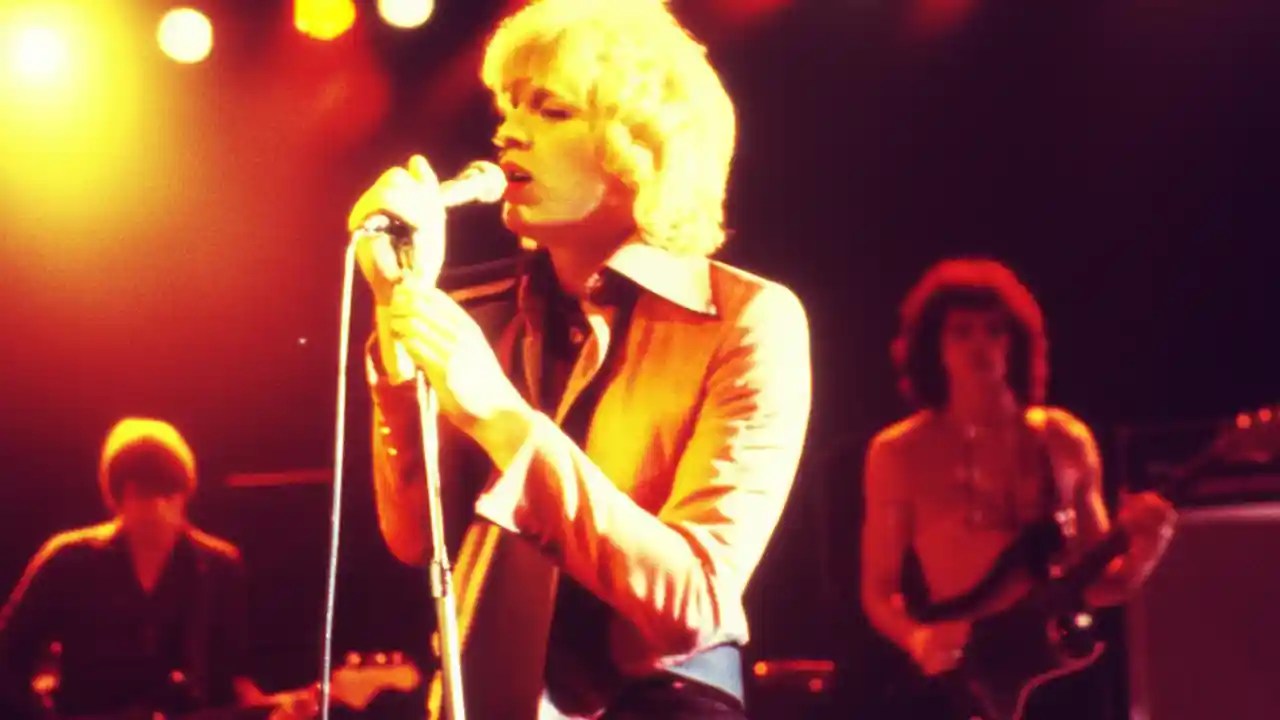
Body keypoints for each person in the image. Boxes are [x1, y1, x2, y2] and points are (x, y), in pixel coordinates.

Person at [348, 0, 812, 717]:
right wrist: (396, 299)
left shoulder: (745, 321)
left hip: (664, 701)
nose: (508, 131)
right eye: (509, 107)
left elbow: (694, 603)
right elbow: (413, 537)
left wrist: (499, 415)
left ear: (641, 146)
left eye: (551, 110)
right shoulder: (477, 311)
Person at [859, 258, 1178, 718]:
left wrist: (1150, 545)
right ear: (934, 346)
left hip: (1057, 677)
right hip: (962, 681)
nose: (980, 345)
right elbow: (879, 590)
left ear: (1017, 342)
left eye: (994, 330)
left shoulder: (1063, 440)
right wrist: (918, 638)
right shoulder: (898, 452)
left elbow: (1104, 582)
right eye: (961, 332)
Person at [0, 417, 315, 720]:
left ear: (184, 495)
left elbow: (233, 678)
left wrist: (278, 710)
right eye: (142, 494)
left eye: (166, 493)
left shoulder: (219, 567)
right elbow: (8, 656)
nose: (156, 508)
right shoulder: (67, 559)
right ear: (119, 496)